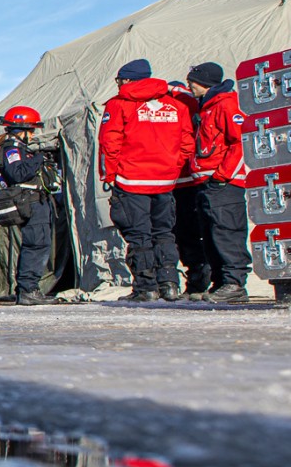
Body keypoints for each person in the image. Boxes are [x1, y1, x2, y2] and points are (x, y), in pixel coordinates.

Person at [99, 59, 193, 302]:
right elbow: (186, 144)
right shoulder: (177, 106)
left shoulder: (118, 105)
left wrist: (110, 175)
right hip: (164, 182)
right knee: (164, 233)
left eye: (119, 80)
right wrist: (171, 169)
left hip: (131, 180)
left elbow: (110, 143)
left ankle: (146, 288)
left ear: (128, 80)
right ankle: (170, 286)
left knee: (139, 235)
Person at [187, 61, 252, 303]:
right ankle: (220, 282)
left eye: (192, 80)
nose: (189, 85)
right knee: (211, 233)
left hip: (224, 182)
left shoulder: (226, 103)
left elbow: (241, 140)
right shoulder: (206, 107)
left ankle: (235, 283)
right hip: (207, 181)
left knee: (227, 231)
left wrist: (223, 175)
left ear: (204, 82)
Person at [0, 105, 55, 305]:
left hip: (35, 200)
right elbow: (17, 173)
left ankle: (28, 288)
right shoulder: (12, 149)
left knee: (39, 244)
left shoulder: (20, 149)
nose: (34, 134)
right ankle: (28, 290)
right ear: (23, 129)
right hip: (29, 201)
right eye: (32, 130)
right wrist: (37, 159)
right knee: (36, 244)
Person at [167, 80, 215, 296]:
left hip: (180, 178)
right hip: (193, 177)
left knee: (184, 232)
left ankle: (198, 276)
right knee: (196, 230)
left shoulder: (179, 103)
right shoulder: (195, 103)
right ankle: (201, 276)